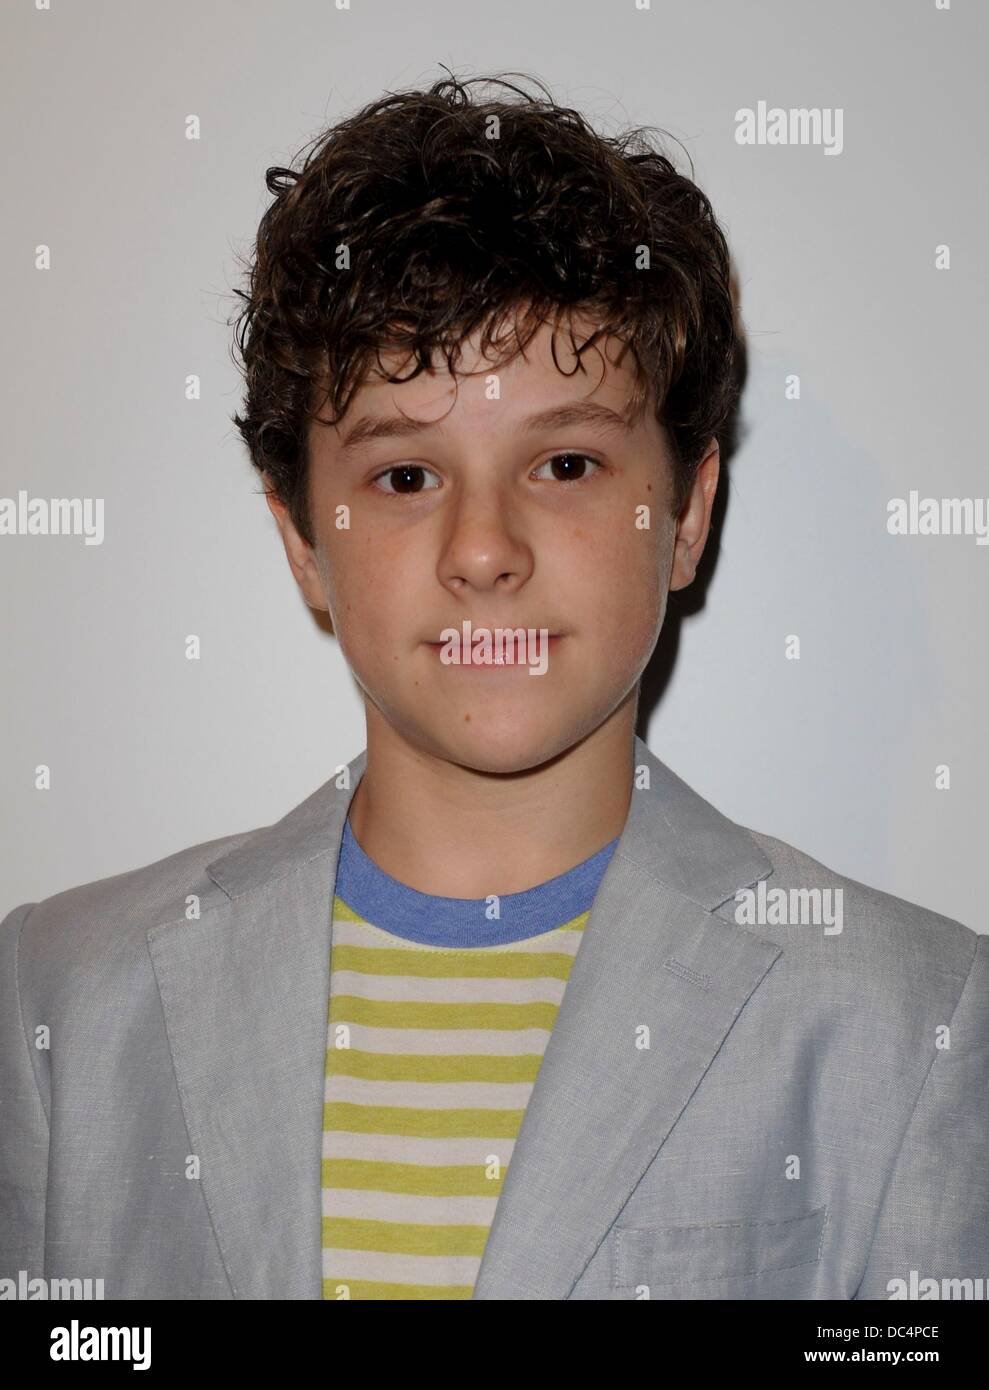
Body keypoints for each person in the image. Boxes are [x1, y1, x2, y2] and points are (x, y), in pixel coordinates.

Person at [1, 73, 985, 1302]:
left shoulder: (914, 1023)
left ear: (685, 515)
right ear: (303, 536)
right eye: (406, 476)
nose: (481, 549)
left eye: (565, 462)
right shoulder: (64, 1001)